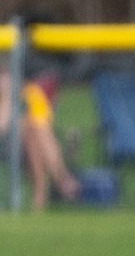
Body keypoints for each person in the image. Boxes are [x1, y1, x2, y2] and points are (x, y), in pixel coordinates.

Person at [0, 71, 80, 212]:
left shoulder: (27, 92)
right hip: (6, 146)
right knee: (36, 131)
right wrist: (7, 98)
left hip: (25, 143)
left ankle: (40, 194)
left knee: (34, 137)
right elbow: (2, 127)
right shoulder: (7, 98)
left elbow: (43, 120)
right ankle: (61, 177)